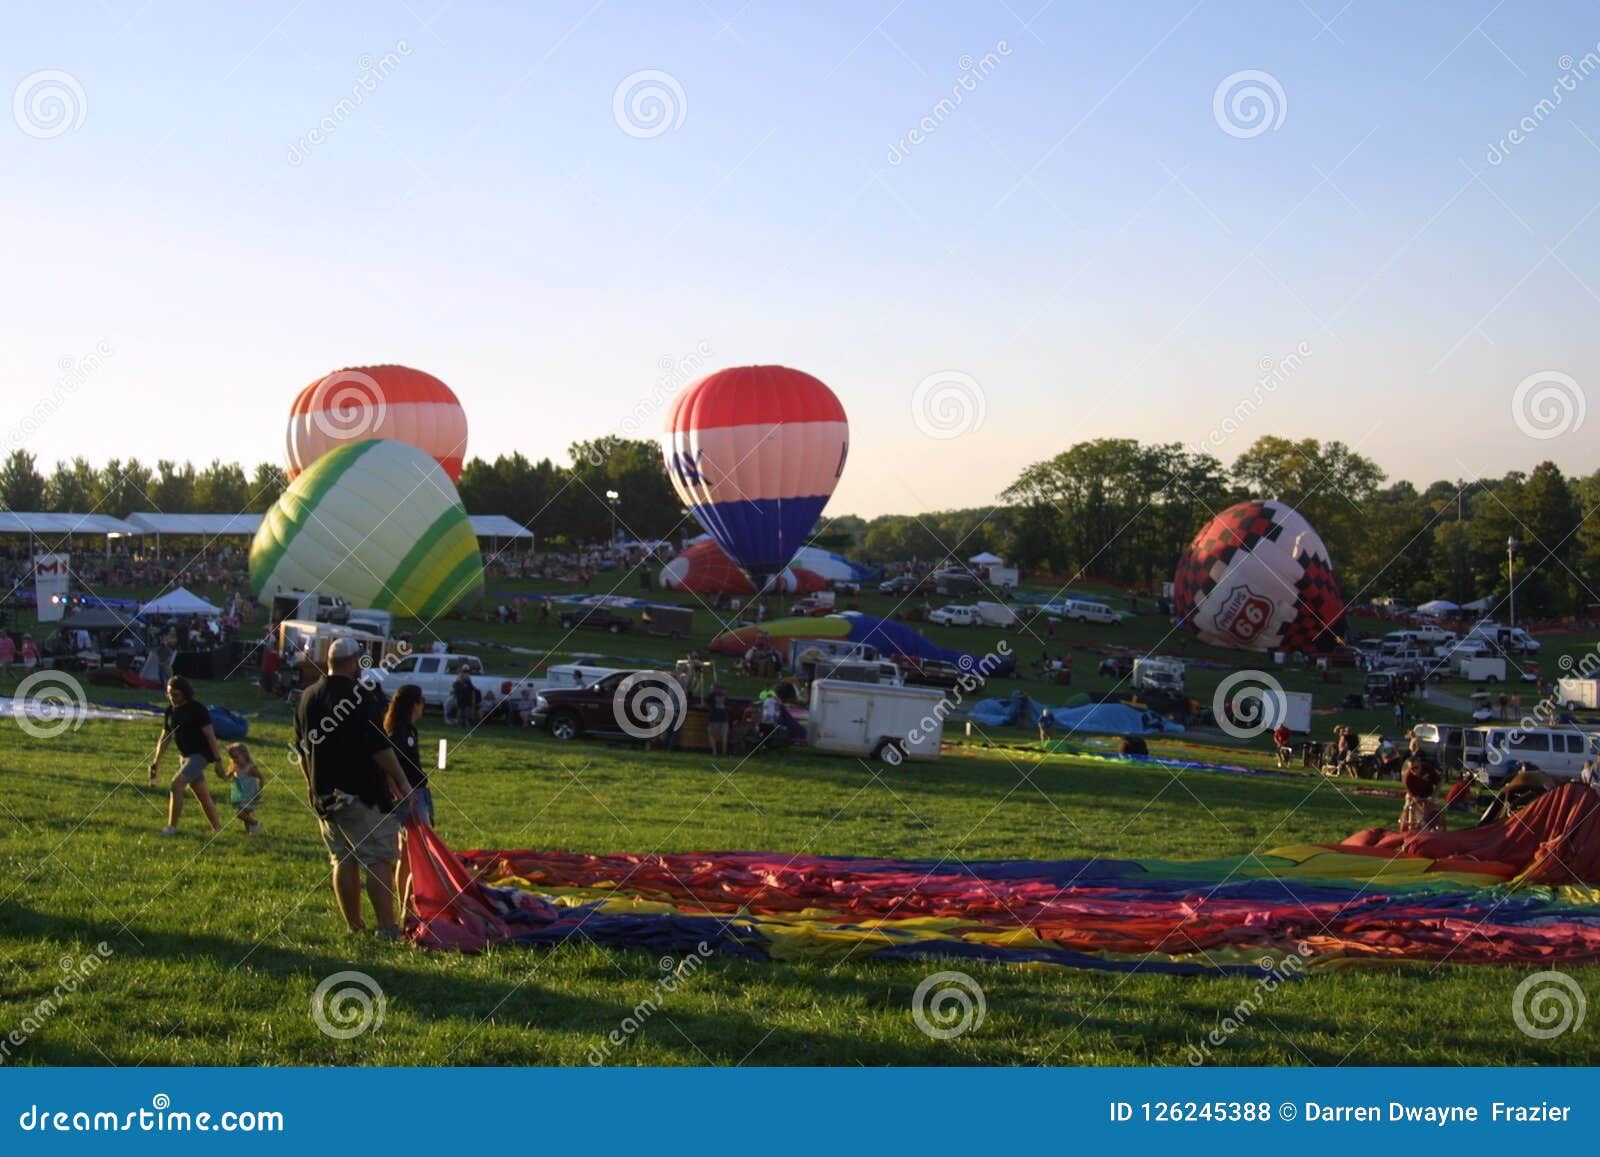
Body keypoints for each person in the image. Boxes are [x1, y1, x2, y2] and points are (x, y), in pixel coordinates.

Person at [294, 636, 410, 939]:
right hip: (361, 792)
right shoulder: (360, 696)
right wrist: (402, 781)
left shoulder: (307, 696)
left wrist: (310, 786)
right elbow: (379, 747)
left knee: (342, 859)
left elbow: (302, 750)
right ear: (354, 662)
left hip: (325, 794)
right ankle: (387, 927)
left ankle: (354, 926)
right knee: (377, 858)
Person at [149, 675, 224, 836]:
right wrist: (156, 762)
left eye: (175, 694)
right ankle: (218, 829)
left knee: (176, 785)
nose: (171, 697)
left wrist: (218, 761)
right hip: (185, 757)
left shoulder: (197, 709)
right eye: (169, 694)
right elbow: (165, 738)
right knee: (202, 795)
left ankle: (171, 828)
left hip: (201, 755)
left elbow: (210, 736)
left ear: (184, 693)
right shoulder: (170, 711)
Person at [384, 683, 429, 913]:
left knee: (407, 854)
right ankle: (408, 908)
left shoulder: (408, 730)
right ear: (414, 705)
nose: (423, 707)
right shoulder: (400, 733)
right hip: (410, 797)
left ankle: (406, 905)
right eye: (421, 703)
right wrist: (399, 791)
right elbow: (387, 766)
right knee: (417, 855)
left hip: (413, 793)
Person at [219, 742, 264, 836]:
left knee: (240, 814)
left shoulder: (250, 768)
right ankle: (249, 832)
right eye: (232, 757)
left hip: (250, 795)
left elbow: (261, 778)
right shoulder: (234, 768)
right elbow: (226, 777)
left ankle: (256, 823)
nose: (234, 759)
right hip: (240, 796)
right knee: (245, 815)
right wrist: (220, 771)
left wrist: (260, 791)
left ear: (245, 755)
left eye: (236, 757)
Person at [1399, 754, 1443, 833]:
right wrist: (1421, 805)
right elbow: (1414, 797)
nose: (1414, 771)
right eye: (1412, 769)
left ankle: (1434, 828)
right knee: (1409, 805)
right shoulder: (1408, 778)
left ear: (1420, 765)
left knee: (1435, 808)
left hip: (1429, 793)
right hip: (1416, 795)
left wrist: (1434, 796)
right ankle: (1409, 828)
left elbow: (1440, 782)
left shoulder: (1427, 768)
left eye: (1416, 768)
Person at [706, 683, 730, 757]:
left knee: (711, 735)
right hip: (724, 717)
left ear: (714, 688)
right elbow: (728, 705)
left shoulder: (711, 695)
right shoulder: (725, 695)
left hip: (714, 717)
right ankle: (724, 752)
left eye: (711, 688)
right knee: (724, 736)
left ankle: (714, 752)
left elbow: (707, 704)